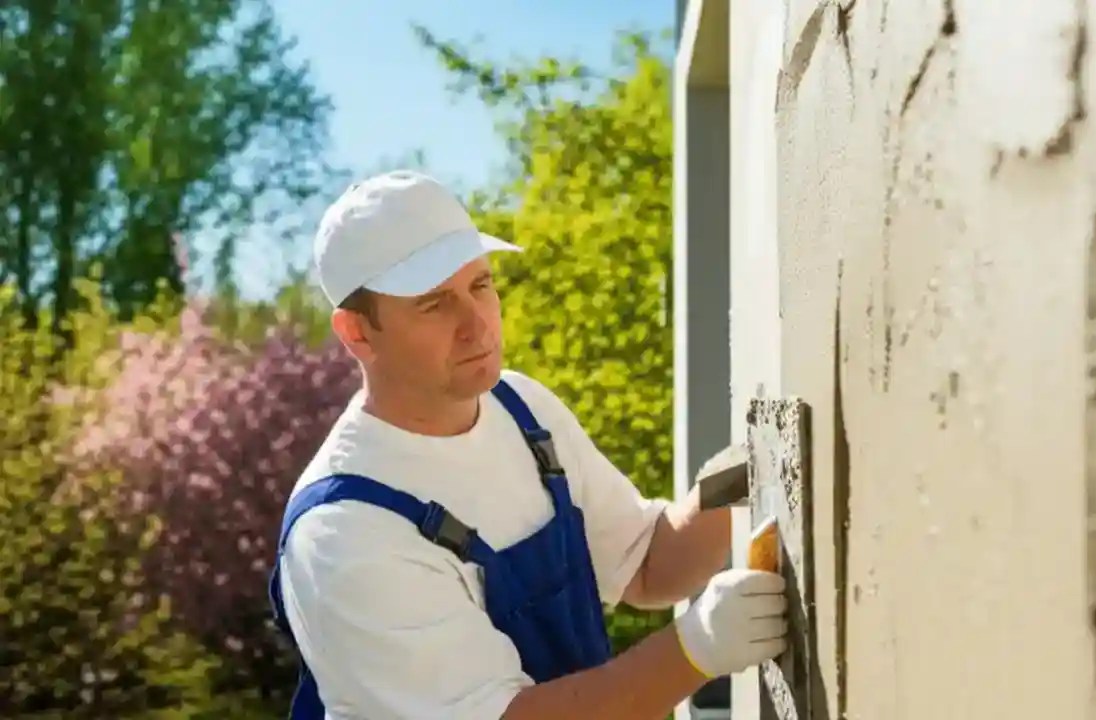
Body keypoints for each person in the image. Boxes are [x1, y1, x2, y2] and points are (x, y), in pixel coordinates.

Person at [268, 170, 787, 720]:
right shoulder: (346, 531)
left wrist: (735, 480)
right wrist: (695, 648)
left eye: (481, 285)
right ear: (356, 332)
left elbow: (647, 565)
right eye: (434, 304)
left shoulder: (521, 410)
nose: (477, 326)